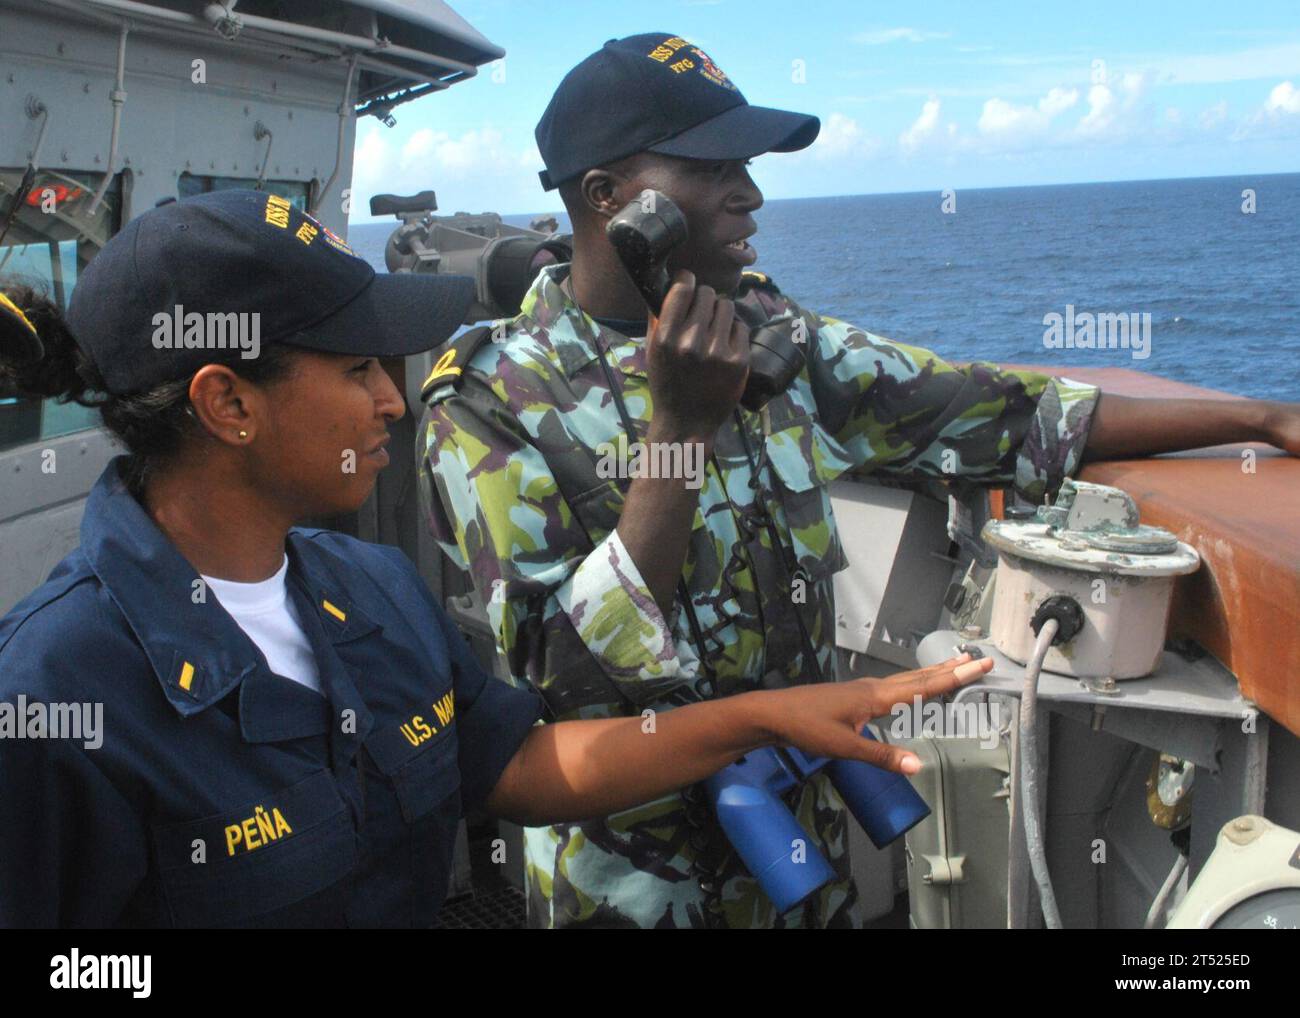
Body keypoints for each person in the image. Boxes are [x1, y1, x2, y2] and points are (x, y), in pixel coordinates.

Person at [417, 32, 1300, 930]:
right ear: (610, 200)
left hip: (803, 851)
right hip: (637, 891)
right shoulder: (492, 401)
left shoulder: (766, 329)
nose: (749, 195)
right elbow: (564, 677)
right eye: (712, 167)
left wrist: (1258, 420)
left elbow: (993, 410)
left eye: (749, 166)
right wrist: (679, 431)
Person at [0, 190, 993, 928]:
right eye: (357, 370)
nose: (394, 400)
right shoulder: (57, 686)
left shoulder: (366, 588)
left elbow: (518, 765)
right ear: (228, 403)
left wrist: (767, 715)